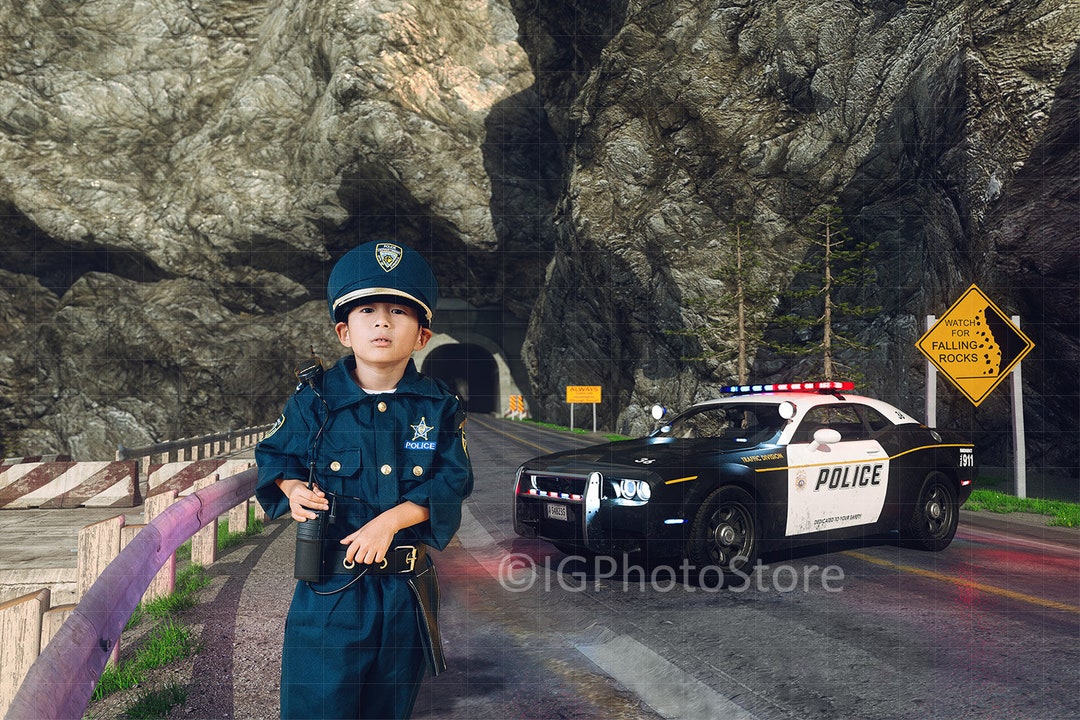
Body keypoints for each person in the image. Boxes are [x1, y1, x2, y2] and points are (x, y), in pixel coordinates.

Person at [255, 240, 474, 719]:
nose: (382, 322)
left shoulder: (438, 407)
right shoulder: (313, 402)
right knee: (318, 710)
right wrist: (291, 490)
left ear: (421, 336)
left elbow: (451, 481)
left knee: (387, 711)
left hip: (403, 595)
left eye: (399, 310)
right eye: (368, 310)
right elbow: (274, 456)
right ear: (343, 331)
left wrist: (391, 522)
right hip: (329, 594)